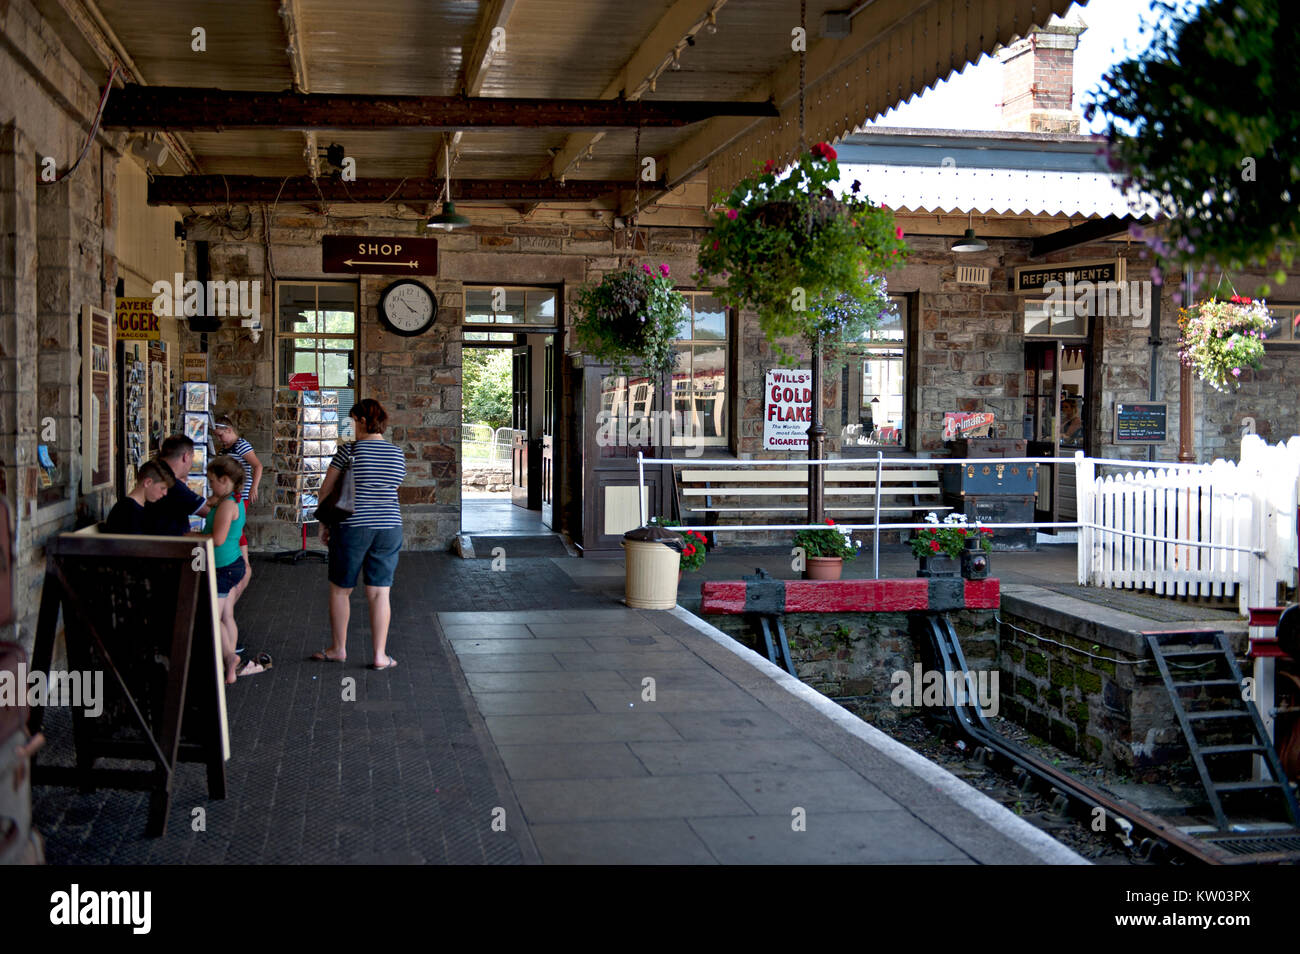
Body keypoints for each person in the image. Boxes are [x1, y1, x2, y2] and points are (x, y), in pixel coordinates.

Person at [311, 399, 405, 670]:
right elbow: (391, 487)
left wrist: (324, 524)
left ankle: (338, 649)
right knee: (379, 592)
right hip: (389, 527)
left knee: (341, 591)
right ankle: (379, 656)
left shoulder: (348, 452)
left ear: (363, 420)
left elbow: (326, 491)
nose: (351, 425)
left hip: (352, 527)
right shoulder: (396, 453)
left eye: (353, 420)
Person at [198, 454, 268, 684]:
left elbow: (217, 539)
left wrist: (190, 536)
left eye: (212, 481)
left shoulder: (228, 504)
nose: (210, 486)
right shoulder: (232, 499)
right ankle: (231, 664)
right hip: (230, 565)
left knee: (212, 616)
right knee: (225, 615)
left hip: (223, 568)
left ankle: (229, 658)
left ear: (225, 479)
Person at [212, 417, 261, 601]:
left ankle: (244, 562)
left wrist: (254, 487)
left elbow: (257, 465)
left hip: (240, 493)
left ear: (229, 429)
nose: (220, 439)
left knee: (236, 527)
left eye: (221, 435)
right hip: (231, 493)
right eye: (217, 436)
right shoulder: (226, 448)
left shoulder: (241, 445)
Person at [143, 436, 210, 535]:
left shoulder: (153, 469)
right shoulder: (172, 484)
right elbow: (208, 512)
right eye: (192, 458)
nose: (192, 464)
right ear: (186, 457)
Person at [104, 461, 175, 534]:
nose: (165, 493)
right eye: (162, 488)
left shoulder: (145, 507)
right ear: (147, 483)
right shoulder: (126, 510)